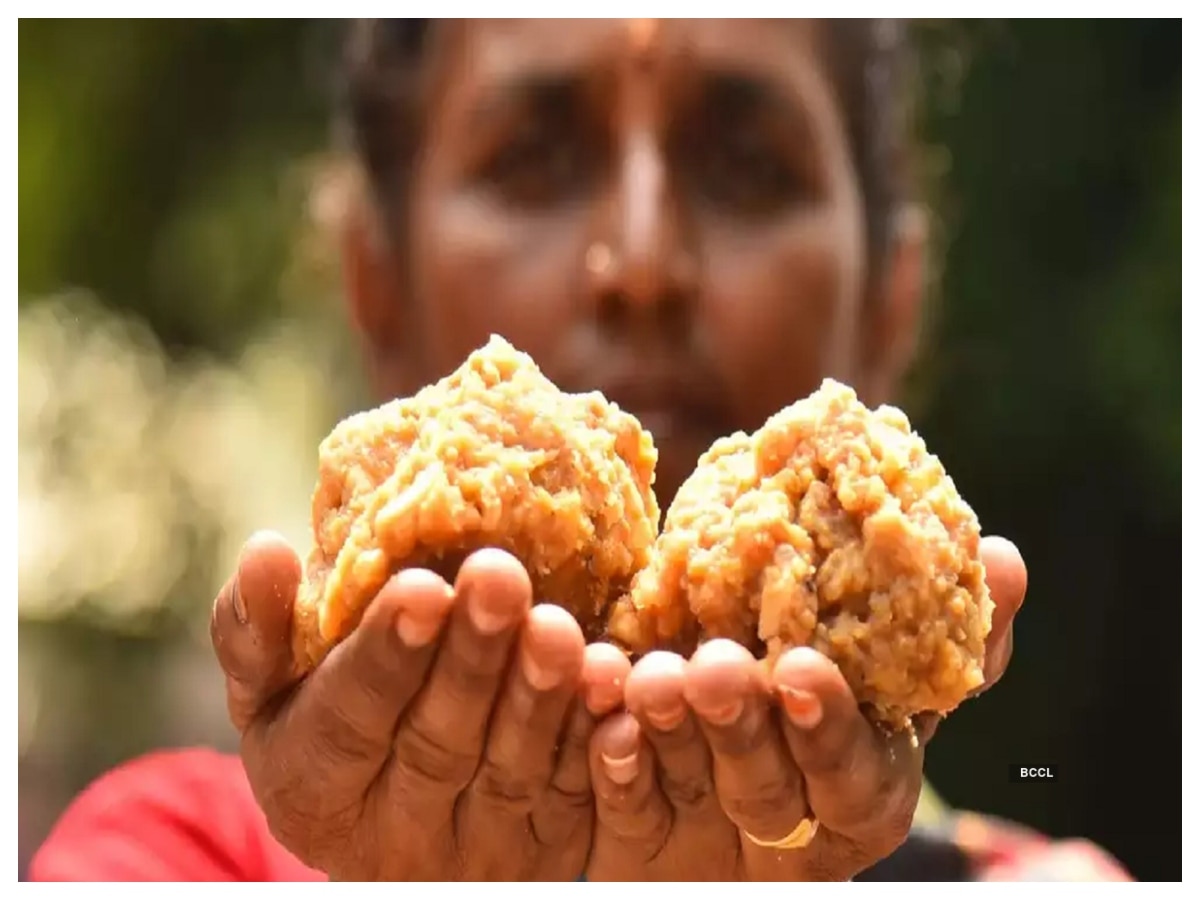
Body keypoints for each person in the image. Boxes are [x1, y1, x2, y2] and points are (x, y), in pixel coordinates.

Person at [29, 19, 1132, 882]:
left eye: (748, 167)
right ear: (375, 283)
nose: (642, 260)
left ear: (892, 299)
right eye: (532, 162)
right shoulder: (169, 860)